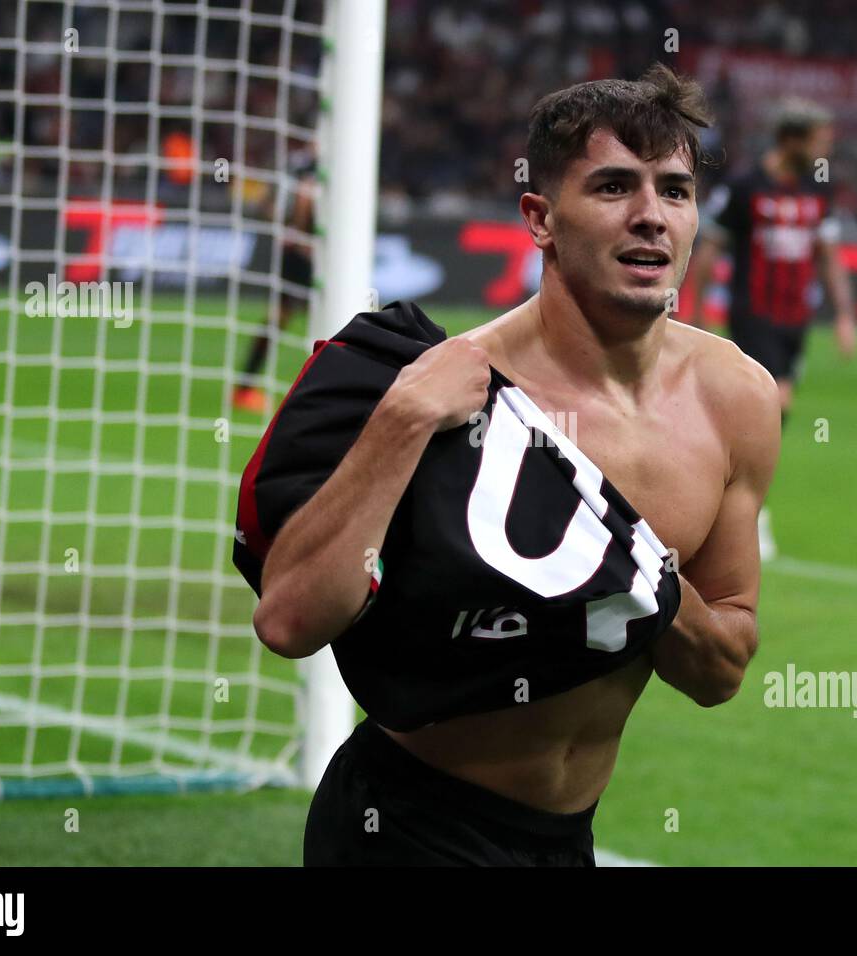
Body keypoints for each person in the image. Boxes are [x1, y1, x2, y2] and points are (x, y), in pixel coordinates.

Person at [252, 64, 781, 866]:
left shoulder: (736, 397)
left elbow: (721, 671)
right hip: (403, 829)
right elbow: (290, 620)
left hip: (566, 841)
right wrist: (399, 422)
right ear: (539, 218)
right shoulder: (440, 384)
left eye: (674, 191)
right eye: (612, 189)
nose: (651, 218)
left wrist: (632, 574)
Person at [683, 98, 857, 557]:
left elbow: (828, 256)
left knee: (775, 413)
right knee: (775, 399)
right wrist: (697, 315)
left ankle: (734, 495)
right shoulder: (745, 187)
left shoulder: (819, 189)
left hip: (795, 320)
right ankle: (750, 511)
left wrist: (843, 315)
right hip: (753, 314)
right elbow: (709, 252)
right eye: (820, 139)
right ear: (792, 139)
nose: (826, 148)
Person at [232, 149, 317, 413]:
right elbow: (305, 197)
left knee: (280, 317)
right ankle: (246, 388)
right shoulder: (316, 166)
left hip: (293, 248)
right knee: (289, 316)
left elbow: (267, 204)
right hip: (304, 252)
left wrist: (286, 229)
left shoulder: (294, 162)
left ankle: (245, 387)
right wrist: (302, 234)